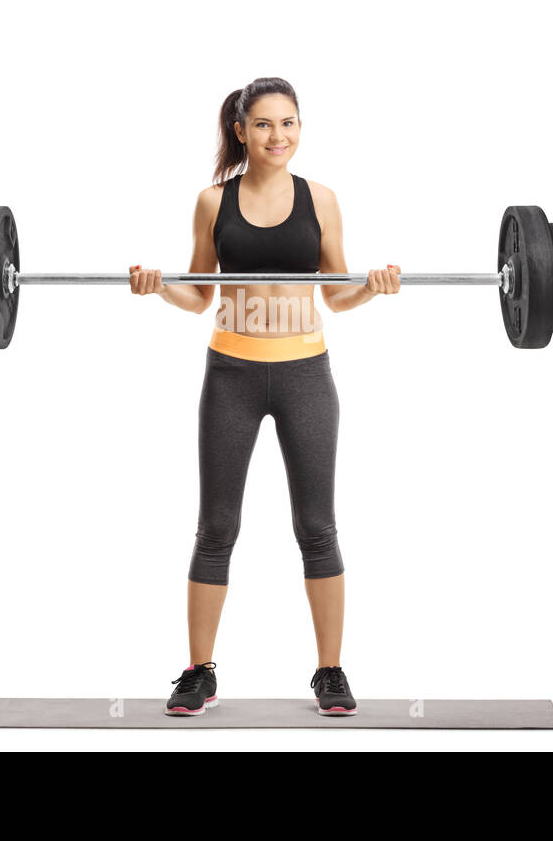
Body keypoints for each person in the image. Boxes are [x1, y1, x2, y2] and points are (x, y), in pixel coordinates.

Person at [128, 77, 400, 717]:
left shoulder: (323, 199)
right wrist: (158, 286)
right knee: (216, 527)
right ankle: (199, 672)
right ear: (240, 131)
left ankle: (329, 671)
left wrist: (375, 287)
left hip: (307, 373)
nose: (279, 137)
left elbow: (336, 293)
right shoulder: (211, 201)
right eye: (265, 125)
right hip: (232, 375)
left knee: (317, 527)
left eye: (290, 123)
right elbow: (197, 296)